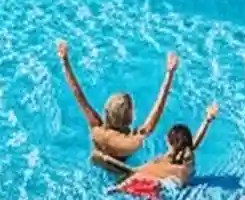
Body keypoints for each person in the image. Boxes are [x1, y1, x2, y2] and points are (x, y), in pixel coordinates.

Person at [56, 40, 178, 175]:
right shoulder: (132, 141)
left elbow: (78, 94)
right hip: (123, 170)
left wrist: (65, 61)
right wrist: (169, 74)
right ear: (130, 117)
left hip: (97, 167)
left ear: (106, 112)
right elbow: (157, 109)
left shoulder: (96, 128)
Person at [110, 103, 218, 198]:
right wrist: (207, 120)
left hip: (167, 184)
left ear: (170, 143)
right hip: (179, 183)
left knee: (141, 179)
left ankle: (118, 188)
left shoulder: (169, 157)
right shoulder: (188, 155)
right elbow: (196, 141)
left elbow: (146, 170)